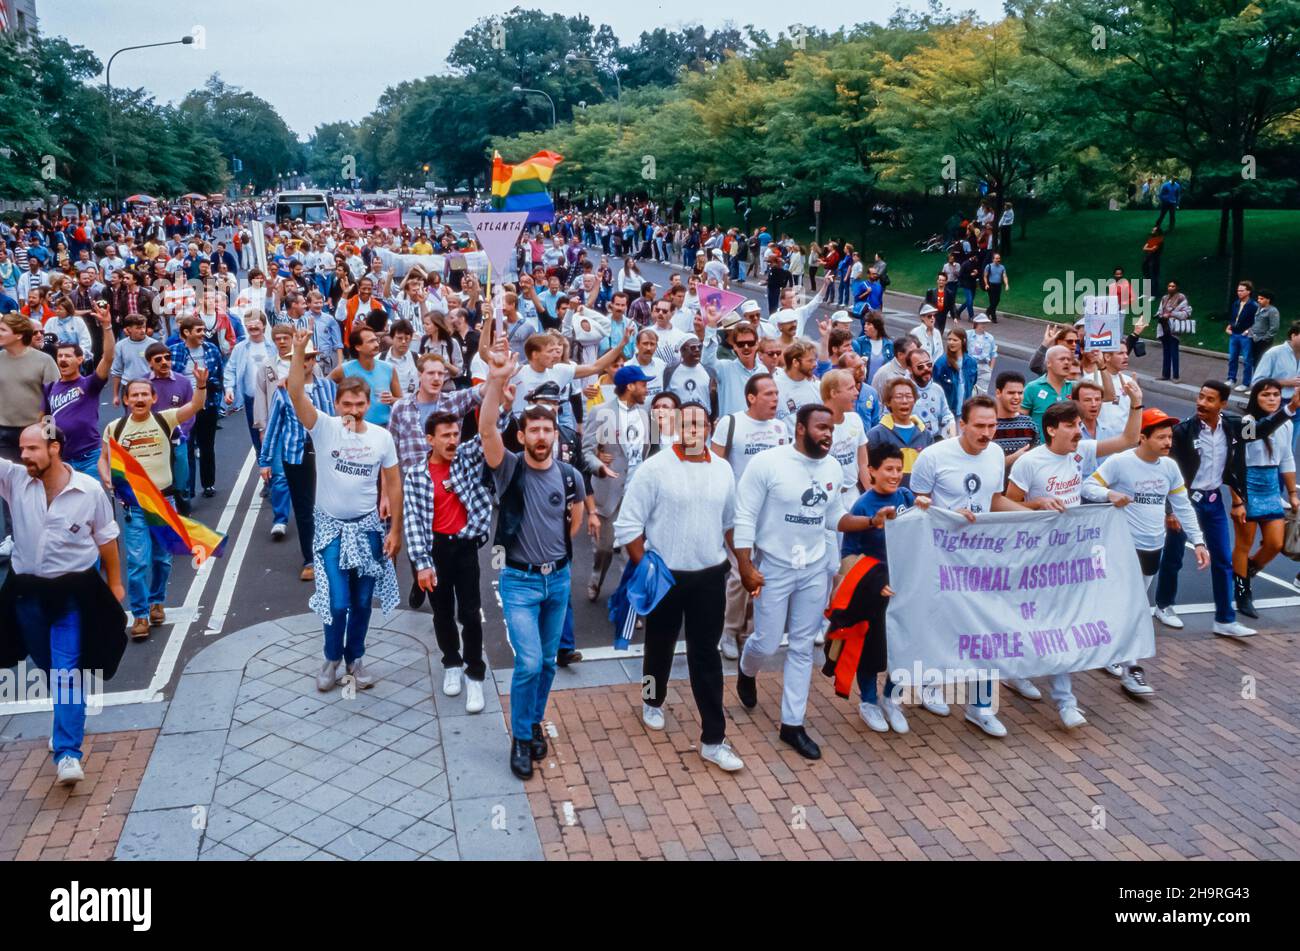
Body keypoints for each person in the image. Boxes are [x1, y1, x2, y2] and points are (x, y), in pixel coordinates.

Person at [613, 400, 744, 772]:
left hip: (710, 576)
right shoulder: (654, 470)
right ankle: (652, 700)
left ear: (709, 428)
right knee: (659, 645)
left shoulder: (722, 470)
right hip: (666, 576)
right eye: (685, 424)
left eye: (699, 425)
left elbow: (730, 523)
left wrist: (744, 567)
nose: (692, 431)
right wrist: (647, 569)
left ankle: (713, 739)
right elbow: (628, 527)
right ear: (676, 427)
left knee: (707, 656)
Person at [479, 343, 587, 781]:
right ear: (522, 436)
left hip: (557, 581)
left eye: (549, 430)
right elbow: (488, 431)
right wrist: (496, 380)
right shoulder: (509, 468)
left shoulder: (570, 476)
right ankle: (522, 737)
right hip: (519, 583)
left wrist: (553, 558)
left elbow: (573, 525)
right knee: (527, 663)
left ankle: (533, 721)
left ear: (556, 435)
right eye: (534, 430)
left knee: (545, 663)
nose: (542, 437)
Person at [1002, 395, 1144, 726]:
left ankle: (1065, 701)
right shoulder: (1030, 463)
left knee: (1060, 626)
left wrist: (1135, 404)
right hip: (1035, 558)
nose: (1078, 431)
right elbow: (1007, 506)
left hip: (1071, 556)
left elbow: (1127, 440)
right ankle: (1019, 673)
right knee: (1034, 622)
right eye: (1070, 425)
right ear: (1051, 429)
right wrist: (1039, 505)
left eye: (1079, 424)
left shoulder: (1080, 452)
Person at [0, 424, 125, 785]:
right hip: (26, 593)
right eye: (21, 449)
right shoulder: (14, 480)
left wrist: (115, 583)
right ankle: (66, 716)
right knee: (49, 664)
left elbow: (106, 539)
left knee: (66, 668)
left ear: (54, 448)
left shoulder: (88, 491)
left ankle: (68, 752)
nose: (24, 456)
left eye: (32, 449)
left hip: (72, 594)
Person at [285, 329, 402, 693]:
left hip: (368, 528)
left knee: (364, 601)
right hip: (331, 530)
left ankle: (356, 658)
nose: (352, 410)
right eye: (346, 404)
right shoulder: (324, 428)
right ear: (336, 405)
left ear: (367, 405)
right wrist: (298, 352)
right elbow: (295, 393)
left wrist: (394, 530)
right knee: (337, 603)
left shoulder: (381, 437)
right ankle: (331, 657)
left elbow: (393, 485)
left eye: (359, 404)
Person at [909, 395, 1030, 734]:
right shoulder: (933, 457)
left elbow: (994, 500)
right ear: (962, 424)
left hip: (983, 556)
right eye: (979, 426)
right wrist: (949, 518)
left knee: (984, 628)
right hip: (939, 556)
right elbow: (917, 508)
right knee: (938, 625)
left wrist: (1038, 515)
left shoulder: (994, 455)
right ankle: (928, 684)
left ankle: (980, 705)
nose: (987, 433)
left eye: (992, 426)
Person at [733, 404, 848, 761]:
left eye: (831, 428)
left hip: (814, 567)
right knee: (766, 643)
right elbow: (745, 515)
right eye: (821, 428)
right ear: (800, 428)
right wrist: (745, 565)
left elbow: (835, 516)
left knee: (801, 647)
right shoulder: (768, 464)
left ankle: (792, 725)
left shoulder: (832, 467)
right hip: (774, 567)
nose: (828, 434)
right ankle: (746, 669)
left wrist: (872, 521)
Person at [1152, 380, 1295, 638]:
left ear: (1223, 404)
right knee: (1174, 555)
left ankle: (1224, 619)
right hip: (1186, 501)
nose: (1201, 403)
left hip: (1213, 501)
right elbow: (1166, 471)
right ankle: (1163, 605)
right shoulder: (1184, 431)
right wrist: (1170, 510)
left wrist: (1291, 408)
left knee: (1222, 559)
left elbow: (1262, 429)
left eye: (1209, 399)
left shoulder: (1233, 426)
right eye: (1200, 397)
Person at [1083, 409, 1210, 698]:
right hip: (1121, 545)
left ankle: (1113, 650)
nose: (1168, 442)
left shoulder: (1169, 467)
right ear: (1143, 437)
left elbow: (1182, 506)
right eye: (1161, 437)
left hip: (1153, 546)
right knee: (1135, 607)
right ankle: (1131, 667)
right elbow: (1088, 485)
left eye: (1169, 437)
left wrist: (1199, 542)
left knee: (1133, 604)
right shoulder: (1120, 463)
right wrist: (1109, 495)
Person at [402, 395, 509, 716]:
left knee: (471, 613)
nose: (452, 440)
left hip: (464, 548)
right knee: (442, 613)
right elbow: (413, 523)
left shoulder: (465, 457)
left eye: (455, 434)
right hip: (434, 550)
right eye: (445, 435)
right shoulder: (415, 476)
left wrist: (501, 400)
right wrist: (421, 565)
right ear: (429, 439)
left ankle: (474, 672)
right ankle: (451, 661)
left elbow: (493, 429)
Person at [99, 369, 208, 638]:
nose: (139, 398)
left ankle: (157, 601)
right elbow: (103, 458)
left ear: (153, 398)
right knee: (137, 563)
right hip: (133, 506)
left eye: (144, 394)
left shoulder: (165, 420)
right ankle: (140, 616)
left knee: (162, 559)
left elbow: (196, 405)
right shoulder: (116, 428)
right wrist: (106, 478)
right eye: (134, 394)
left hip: (163, 502)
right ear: (126, 400)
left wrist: (202, 384)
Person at [836, 442, 913, 734]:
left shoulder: (906, 496)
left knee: (904, 646)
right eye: (888, 469)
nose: (895, 475)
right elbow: (849, 556)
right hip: (874, 589)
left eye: (898, 469)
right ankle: (868, 701)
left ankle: (891, 698)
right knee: (870, 647)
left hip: (904, 586)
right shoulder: (863, 506)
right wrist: (874, 583)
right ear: (871, 471)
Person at [259, 339, 336, 580]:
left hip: (325, 453)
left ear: (314, 361)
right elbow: (273, 427)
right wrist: (265, 461)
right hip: (296, 454)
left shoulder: (328, 387)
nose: (304, 363)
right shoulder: (284, 391)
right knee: (304, 509)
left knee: (329, 506)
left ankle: (331, 554)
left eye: (308, 358)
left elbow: (336, 418)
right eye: (298, 359)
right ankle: (310, 559)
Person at [1229, 378, 1298, 617]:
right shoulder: (1246, 422)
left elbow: (1287, 459)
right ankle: (1242, 593)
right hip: (1248, 486)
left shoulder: (1286, 425)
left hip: (1271, 488)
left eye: (1276, 395)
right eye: (1265, 395)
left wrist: (1292, 493)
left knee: (1275, 543)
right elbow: (1251, 440)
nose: (1271, 399)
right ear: (1255, 398)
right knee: (1243, 544)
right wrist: (1237, 499)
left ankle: (1246, 571)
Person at [582, 365, 651, 603]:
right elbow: (587, 452)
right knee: (604, 548)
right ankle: (595, 579)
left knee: (629, 552)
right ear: (630, 386)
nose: (647, 389)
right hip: (608, 492)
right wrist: (600, 466)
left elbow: (648, 451)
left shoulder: (645, 413)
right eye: (643, 384)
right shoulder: (600, 412)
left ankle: (629, 602)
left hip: (636, 493)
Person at [43, 303, 115, 477]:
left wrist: (107, 326)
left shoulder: (90, 384)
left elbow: (108, 357)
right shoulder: (49, 388)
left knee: (91, 502)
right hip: (62, 459)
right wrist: (50, 448)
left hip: (90, 456)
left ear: (80, 359)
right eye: (60, 356)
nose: (62, 359)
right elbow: (46, 420)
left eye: (68, 356)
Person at [169, 316, 225, 500]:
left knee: (207, 445)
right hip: (185, 407)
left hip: (207, 405)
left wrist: (210, 385)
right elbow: (171, 379)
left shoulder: (212, 349)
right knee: (187, 448)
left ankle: (208, 483)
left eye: (203, 330)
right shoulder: (174, 351)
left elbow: (219, 375)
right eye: (199, 330)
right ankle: (188, 488)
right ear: (186, 332)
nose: (203, 334)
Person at [331, 326, 402, 426]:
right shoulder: (344, 370)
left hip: (383, 427)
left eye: (376, 340)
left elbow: (401, 400)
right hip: (353, 428)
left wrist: (392, 400)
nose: (376, 344)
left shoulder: (389, 368)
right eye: (371, 342)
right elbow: (324, 388)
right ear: (357, 347)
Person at [1021, 345, 1075, 436]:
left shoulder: (1074, 387)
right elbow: (1021, 421)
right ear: (1048, 363)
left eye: (1069, 360)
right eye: (1062, 359)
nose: (1067, 362)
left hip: (1067, 447)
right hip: (1039, 447)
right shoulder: (1032, 388)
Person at [933, 328, 978, 417]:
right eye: (949, 339)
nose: (951, 342)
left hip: (965, 411)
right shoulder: (941, 363)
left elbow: (973, 382)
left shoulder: (971, 362)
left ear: (963, 341)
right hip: (947, 412)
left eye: (955, 340)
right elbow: (935, 388)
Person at [1226, 281, 1258, 392]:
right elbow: (1233, 317)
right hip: (1234, 334)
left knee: (1247, 360)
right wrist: (1229, 326)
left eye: (1241, 290)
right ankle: (1231, 379)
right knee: (1232, 358)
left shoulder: (1254, 306)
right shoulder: (1236, 303)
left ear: (1248, 291)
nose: (1239, 292)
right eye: (1238, 290)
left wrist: (1248, 330)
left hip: (1245, 336)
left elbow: (1257, 321)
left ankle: (1245, 383)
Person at [1155, 281, 1190, 381]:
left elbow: (1185, 314)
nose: (1171, 288)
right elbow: (1159, 310)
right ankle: (1165, 375)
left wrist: (1171, 314)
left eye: (1173, 286)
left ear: (1177, 287)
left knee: (1174, 353)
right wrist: (1159, 315)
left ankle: (1176, 376)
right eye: (1169, 286)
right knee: (1166, 352)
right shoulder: (1164, 298)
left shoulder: (1181, 298)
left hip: (1174, 328)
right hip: (1164, 327)